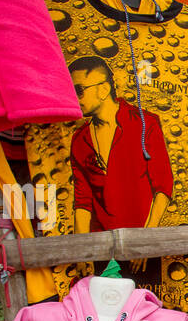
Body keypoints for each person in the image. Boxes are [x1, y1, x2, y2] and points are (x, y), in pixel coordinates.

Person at [68, 56, 173, 231]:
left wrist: (147, 239)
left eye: (78, 90)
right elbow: (82, 203)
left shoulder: (144, 123)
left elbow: (163, 187)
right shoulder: (80, 140)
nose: (73, 98)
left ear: (103, 89)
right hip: (101, 247)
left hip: (143, 243)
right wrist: (82, 253)